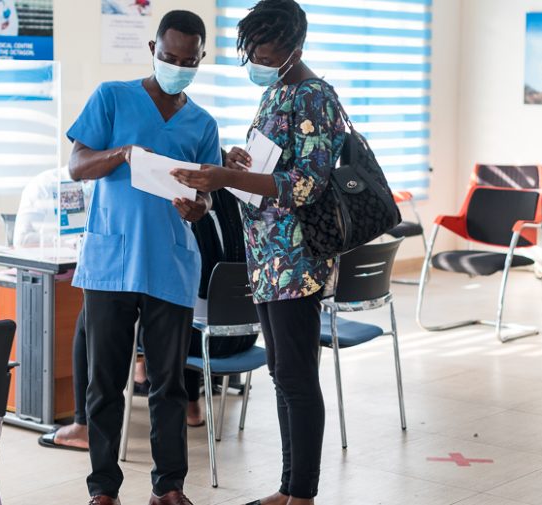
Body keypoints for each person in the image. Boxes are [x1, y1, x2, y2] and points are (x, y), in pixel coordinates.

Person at [172, 2, 346, 504]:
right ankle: (288, 488)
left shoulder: (313, 96)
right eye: (246, 48)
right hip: (268, 259)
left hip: (297, 260)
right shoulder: (278, 93)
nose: (251, 58)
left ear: (292, 47)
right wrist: (234, 168)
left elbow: (307, 185)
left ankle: (303, 495)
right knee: (282, 375)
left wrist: (228, 177)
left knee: (296, 376)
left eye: (260, 48)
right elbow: (267, 170)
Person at [66, 10, 218, 505]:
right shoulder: (112, 97)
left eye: (187, 60)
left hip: (170, 265)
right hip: (112, 264)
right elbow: (77, 165)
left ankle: (168, 487)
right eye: (169, 57)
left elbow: (208, 196)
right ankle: (103, 490)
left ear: (199, 58)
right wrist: (123, 153)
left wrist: (200, 206)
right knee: (105, 384)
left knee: (169, 385)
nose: (177, 66)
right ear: (152, 48)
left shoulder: (202, 123)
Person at [39, 186, 256, 452]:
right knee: (172, 304)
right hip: (244, 336)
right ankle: (191, 407)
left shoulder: (185, 215)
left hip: (203, 341)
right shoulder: (235, 206)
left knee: (95, 319)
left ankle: (83, 426)